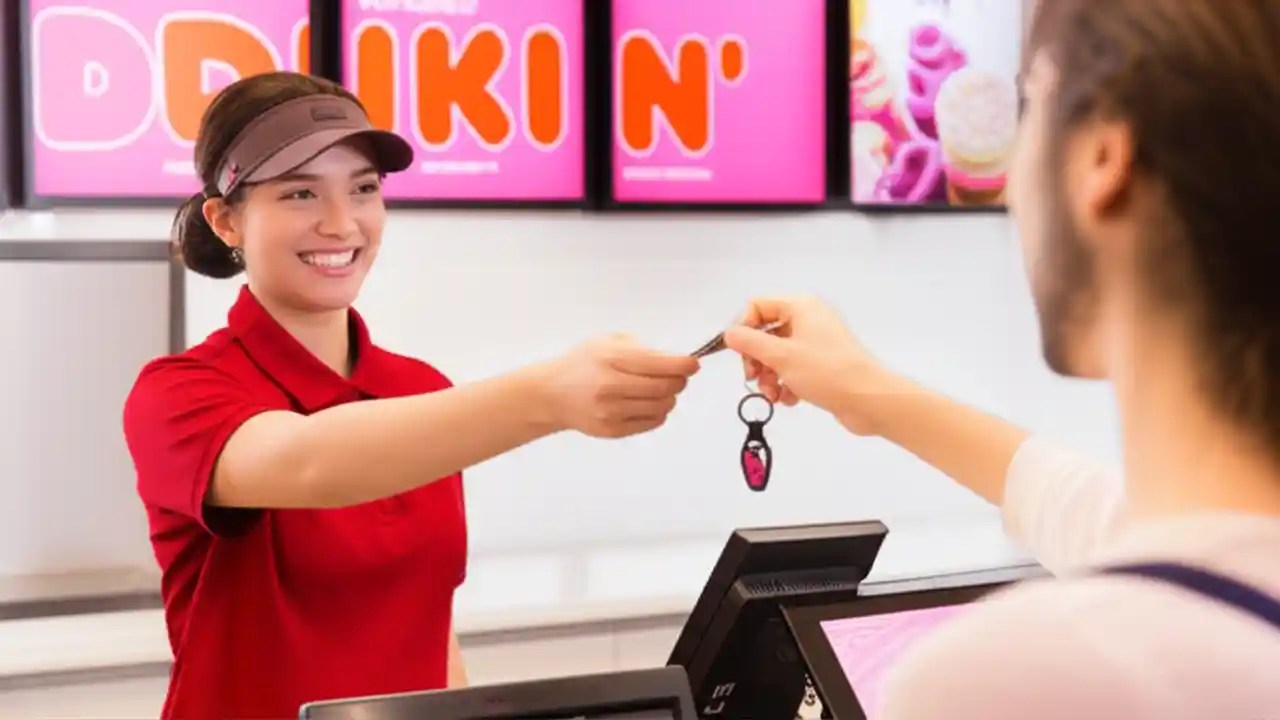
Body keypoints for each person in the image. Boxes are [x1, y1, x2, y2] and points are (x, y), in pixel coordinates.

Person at [724, 1, 1280, 718]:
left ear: (1101, 160)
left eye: (1031, 101)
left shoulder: (1020, 679)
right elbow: (1093, 509)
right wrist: (873, 397)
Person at [121, 72, 699, 719]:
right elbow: (308, 462)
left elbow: (430, 624)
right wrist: (547, 397)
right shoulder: (177, 393)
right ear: (225, 219)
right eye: (300, 193)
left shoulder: (420, 391)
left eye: (363, 189)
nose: (341, 224)